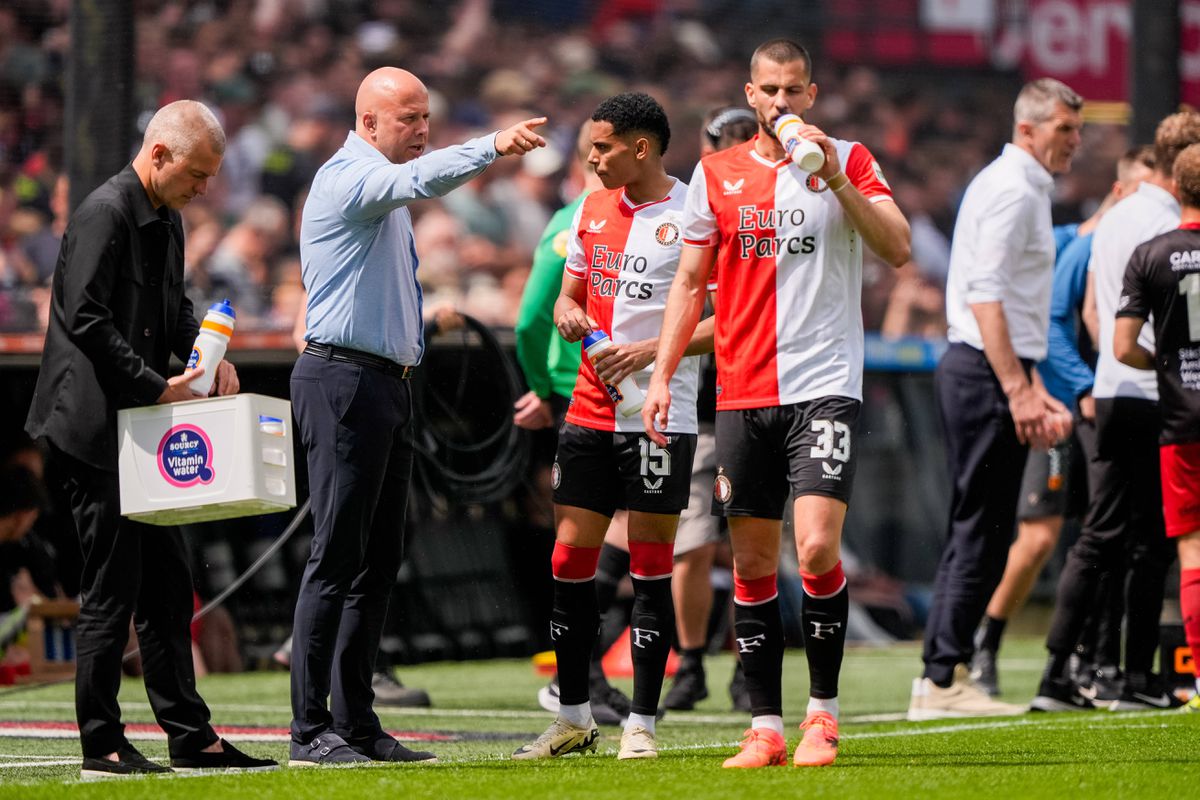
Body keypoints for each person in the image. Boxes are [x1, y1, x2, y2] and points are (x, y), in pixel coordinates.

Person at [643, 39, 911, 768]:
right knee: (753, 563)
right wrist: (665, 372)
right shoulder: (714, 173)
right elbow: (689, 283)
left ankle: (821, 717)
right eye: (769, 90)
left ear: (812, 94)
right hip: (743, 391)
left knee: (818, 545)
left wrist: (834, 179)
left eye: (794, 90)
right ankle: (764, 725)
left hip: (825, 385)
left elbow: (898, 248)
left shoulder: (849, 159)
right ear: (750, 93)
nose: (782, 102)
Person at [288, 66, 548, 767]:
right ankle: (311, 730)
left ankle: (357, 722)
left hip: (382, 384)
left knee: (377, 559)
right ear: (369, 123)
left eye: (425, 117)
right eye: (409, 119)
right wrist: (490, 146)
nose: (422, 130)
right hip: (344, 380)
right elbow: (419, 181)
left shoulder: (379, 190)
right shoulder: (350, 178)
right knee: (337, 556)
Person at [24, 100, 276, 777]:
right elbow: (84, 318)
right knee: (114, 586)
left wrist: (206, 354)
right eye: (196, 174)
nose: (204, 188)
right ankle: (102, 743)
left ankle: (191, 737)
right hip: (92, 429)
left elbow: (171, 314)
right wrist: (154, 383)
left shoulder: (167, 217)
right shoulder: (105, 211)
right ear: (159, 153)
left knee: (169, 585)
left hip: (138, 424)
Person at [512, 91, 709, 761]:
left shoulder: (692, 214)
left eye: (601, 147)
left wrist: (655, 351)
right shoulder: (590, 211)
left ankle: (642, 725)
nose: (591, 159)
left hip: (660, 414)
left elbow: (725, 320)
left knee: (650, 571)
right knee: (569, 560)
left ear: (642, 148)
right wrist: (569, 313)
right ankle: (572, 717)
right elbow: (571, 294)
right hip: (588, 413)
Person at [907, 78, 1082, 720]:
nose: (1076, 141)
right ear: (1029, 129)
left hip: (992, 368)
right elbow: (986, 296)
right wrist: (1019, 389)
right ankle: (941, 677)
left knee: (984, 526)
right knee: (980, 528)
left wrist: (1028, 384)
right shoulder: (1013, 190)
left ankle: (941, 674)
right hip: (985, 371)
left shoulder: (1018, 186)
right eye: (1065, 129)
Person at [969, 147, 1156, 697]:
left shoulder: (1115, 242)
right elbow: (1052, 324)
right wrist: (1080, 388)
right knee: (1041, 536)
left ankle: (1086, 659)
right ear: (1123, 194)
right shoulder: (1084, 243)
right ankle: (988, 642)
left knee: (1099, 533)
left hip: (1095, 408)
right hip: (1061, 408)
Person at [1033, 111, 1200, 712]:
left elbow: (1092, 315)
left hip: (1110, 388)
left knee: (1100, 534)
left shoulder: (1111, 219)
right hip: (1161, 393)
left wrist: (1103, 369)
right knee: (1153, 540)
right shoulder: (1169, 226)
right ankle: (1131, 677)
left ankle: (1060, 672)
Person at [513, 119, 635, 727]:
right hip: (586, 394)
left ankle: (584, 677)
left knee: (602, 538)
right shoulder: (577, 223)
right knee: (603, 537)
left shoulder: (580, 217)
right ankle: (575, 679)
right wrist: (543, 387)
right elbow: (532, 318)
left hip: (589, 391)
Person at [663, 105, 758, 713]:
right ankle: (692, 660)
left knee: (755, 538)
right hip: (701, 404)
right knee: (691, 543)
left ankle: (748, 663)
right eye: (727, 144)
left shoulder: (772, 213)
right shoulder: (690, 214)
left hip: (754, 396)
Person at [1113, 140, 1200, 714]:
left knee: (1192, 552)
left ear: (1176, 185)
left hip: (1182, 419)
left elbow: (1123, 348)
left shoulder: (1150, 253)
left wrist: (1167, 364)